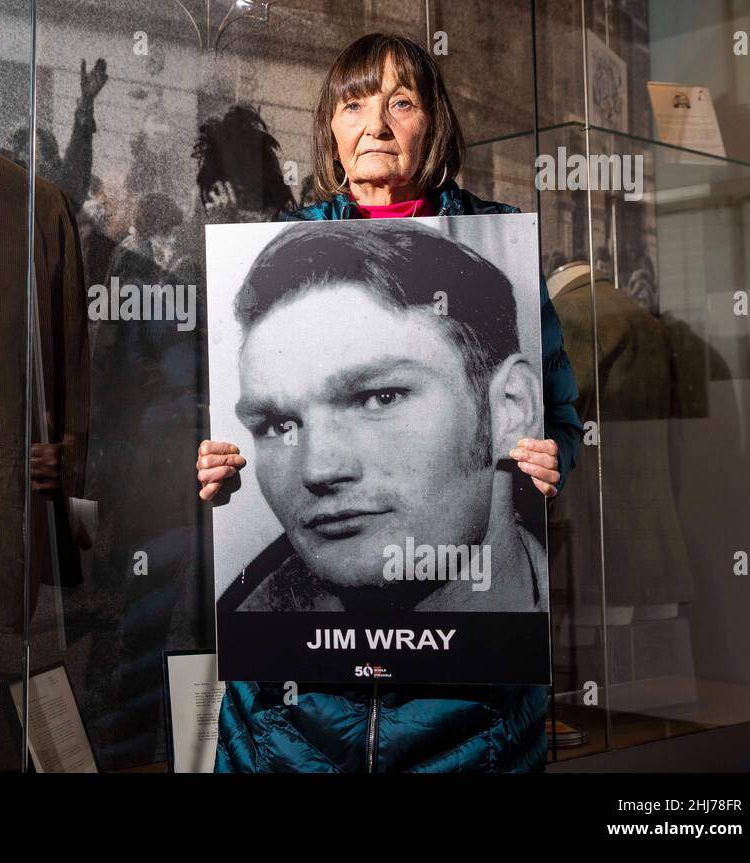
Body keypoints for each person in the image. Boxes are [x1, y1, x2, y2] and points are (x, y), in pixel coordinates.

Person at [195, 33, 583, 773]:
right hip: (295, 715)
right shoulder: (276, 248)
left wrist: (546, 456)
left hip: (475, 711)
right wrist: (220, 465)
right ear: (331, 130)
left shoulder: (498, 243)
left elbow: (561, 420)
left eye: (399, 102)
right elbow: (224, 434)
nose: (374, 124)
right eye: (353, 104)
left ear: (433, 122)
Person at [219, 222, 547, 617]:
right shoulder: (230, 659)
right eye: (277, 425)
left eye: (380, 398)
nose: (319, 470)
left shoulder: (591, 608)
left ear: (512, 408)